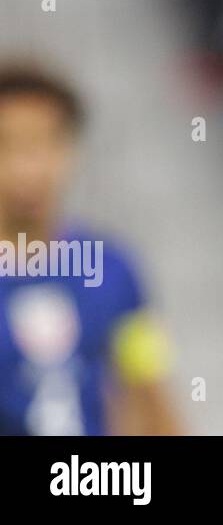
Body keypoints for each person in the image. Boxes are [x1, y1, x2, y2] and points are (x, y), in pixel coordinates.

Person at [0, 64, 179, 435]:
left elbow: (150, 397)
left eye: (44, 142)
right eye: (8, 144)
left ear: (71, 150)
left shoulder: (113, 269)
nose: (27, 166)